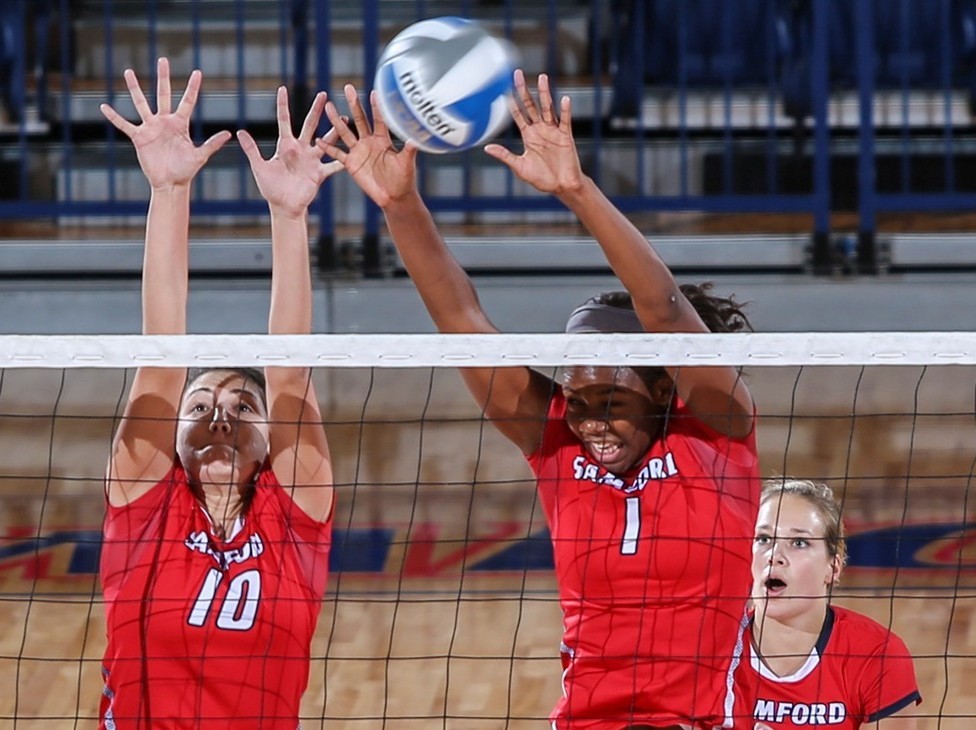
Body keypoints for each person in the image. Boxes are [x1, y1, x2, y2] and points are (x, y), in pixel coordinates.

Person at [320, 71, 760, 729]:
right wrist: (400, 206)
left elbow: (664, 311)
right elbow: (462, 321)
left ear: (664, 387)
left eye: (610, 399)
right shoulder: (555, 439)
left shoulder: (718, 434)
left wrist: (576, 192)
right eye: (577, 398)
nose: (589, 421)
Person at [97, 57, 339, 728]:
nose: (219, 420)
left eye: (241, 408)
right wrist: (169, 192)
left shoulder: (296, 524)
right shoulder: (144, 508)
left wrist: (289, 216)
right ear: (172, 435)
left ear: (271, 440)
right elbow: (160, 360)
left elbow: (289, 374)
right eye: (199, 407)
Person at [738, 479, 921, 730]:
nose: (774, 556)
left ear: (833, 568)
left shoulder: (877, 654)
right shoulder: (712, 648)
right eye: (763, 538)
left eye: (799, 542)